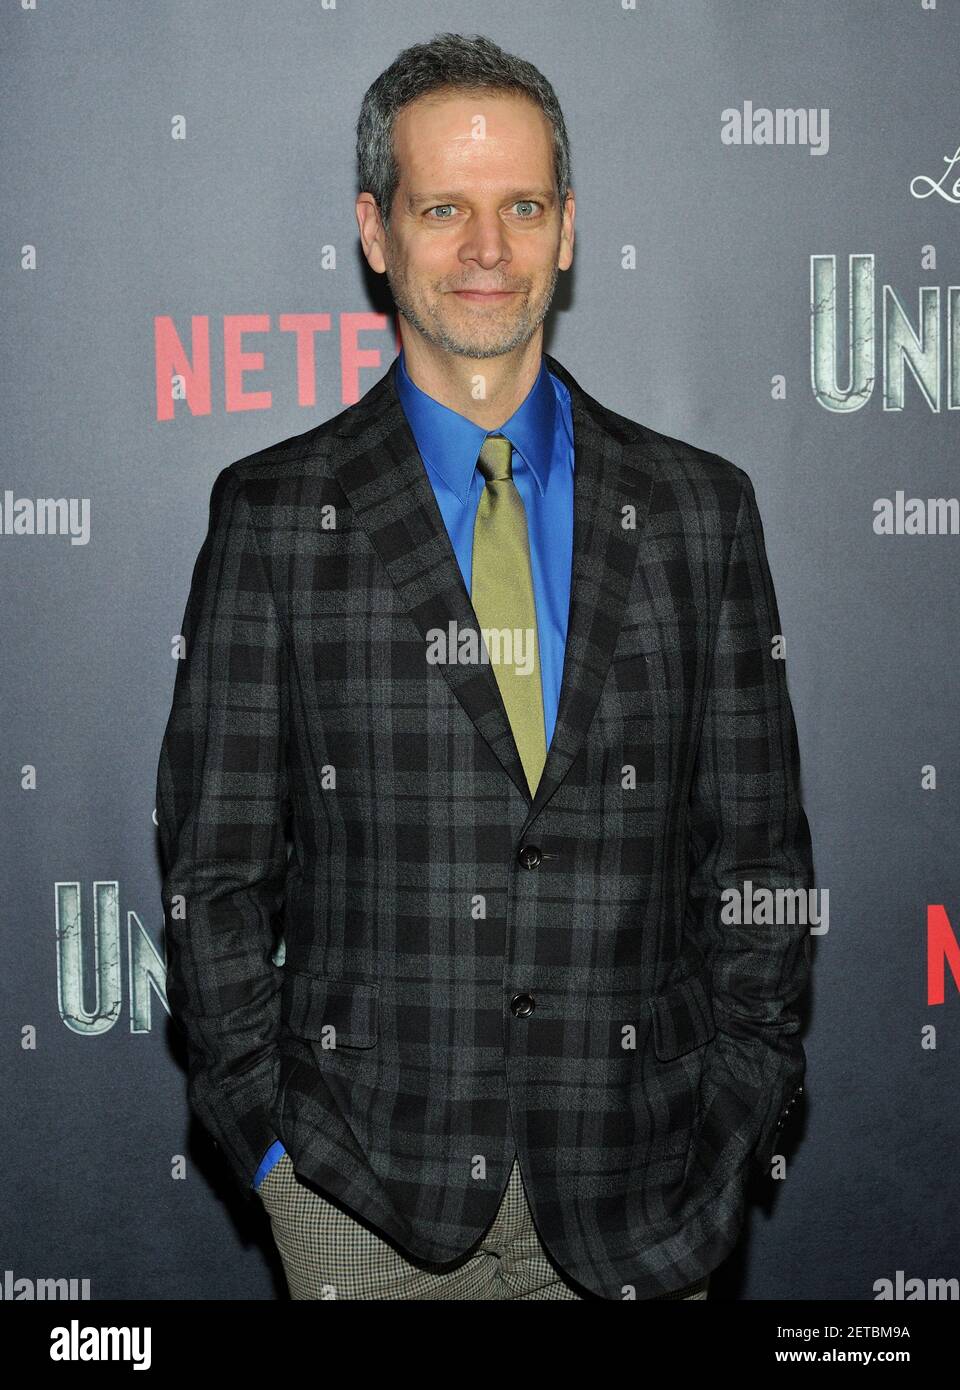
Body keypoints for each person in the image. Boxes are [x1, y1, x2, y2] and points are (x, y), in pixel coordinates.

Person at [156, 31, 813, 1301]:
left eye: (521, 207)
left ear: (569, 229)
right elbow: (214, 873)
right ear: (376, 230)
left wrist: (737, 1115)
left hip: (647, 1190)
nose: (486, 251)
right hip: (361, 1197)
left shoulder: (697, 510)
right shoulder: (279, 515)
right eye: (442, 209)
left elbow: (761, 867)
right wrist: (276, 1151)